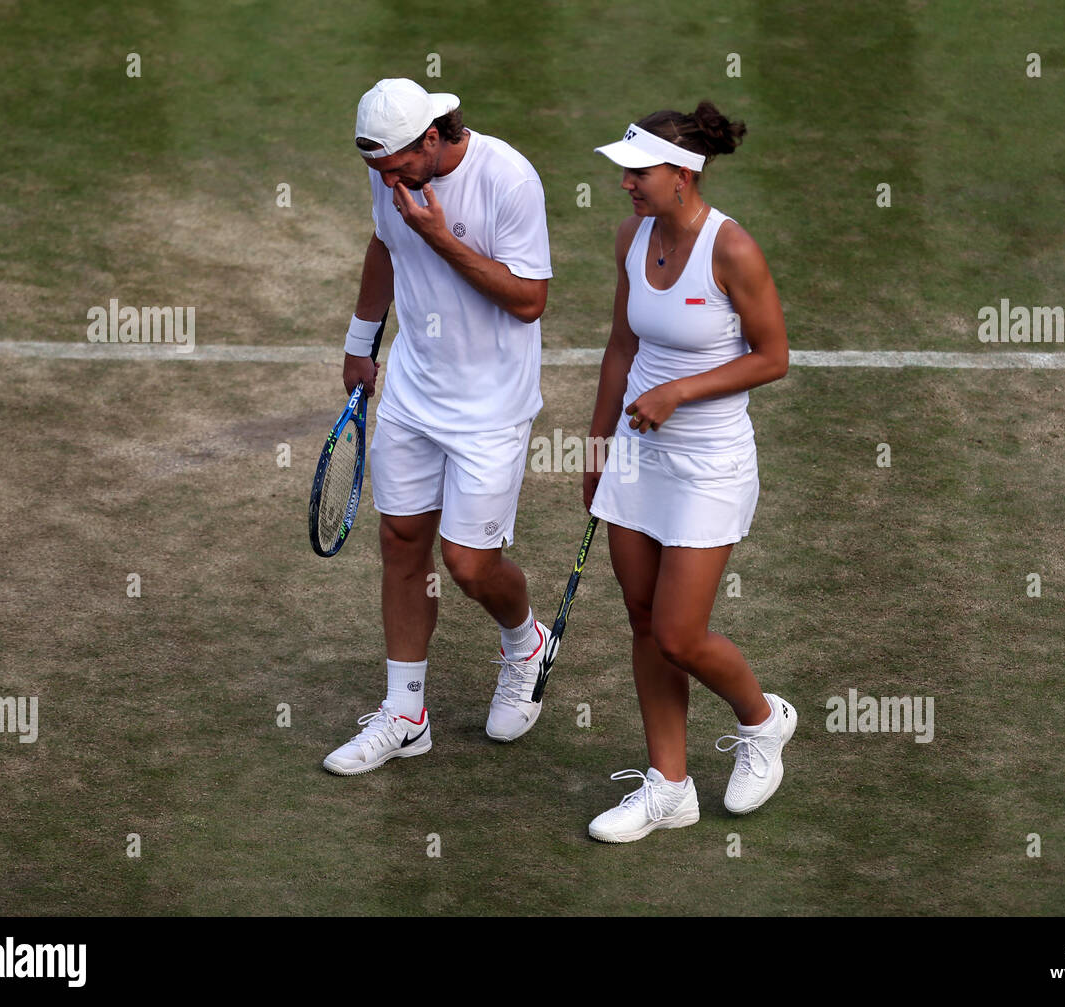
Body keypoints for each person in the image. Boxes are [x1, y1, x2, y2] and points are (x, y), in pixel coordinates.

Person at [323, 78, 553, 776]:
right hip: (414, 395)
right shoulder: (390, 172)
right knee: (400, 543)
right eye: (376, 171)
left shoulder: (509, 179)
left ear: (432, 137)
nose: (386, 182)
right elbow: (384, 247)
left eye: (395, 168)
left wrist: (440, 236)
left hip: (491, 408)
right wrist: (361, 342)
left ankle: (525, 643)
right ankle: (405, 713)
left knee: (468, 564)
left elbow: (529, 300)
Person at [583, 103, 793, 842]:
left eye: (637, 173)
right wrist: (597, 443)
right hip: (638, 457)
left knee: (678, 632)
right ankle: (669, 783)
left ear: (682, 174)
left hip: (708, 463)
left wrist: (677, 390)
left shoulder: (732, 249)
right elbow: (618, 347)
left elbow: (773, 356)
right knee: (642, 619)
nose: (625, 186)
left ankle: (763, 720)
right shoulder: (631, 238)